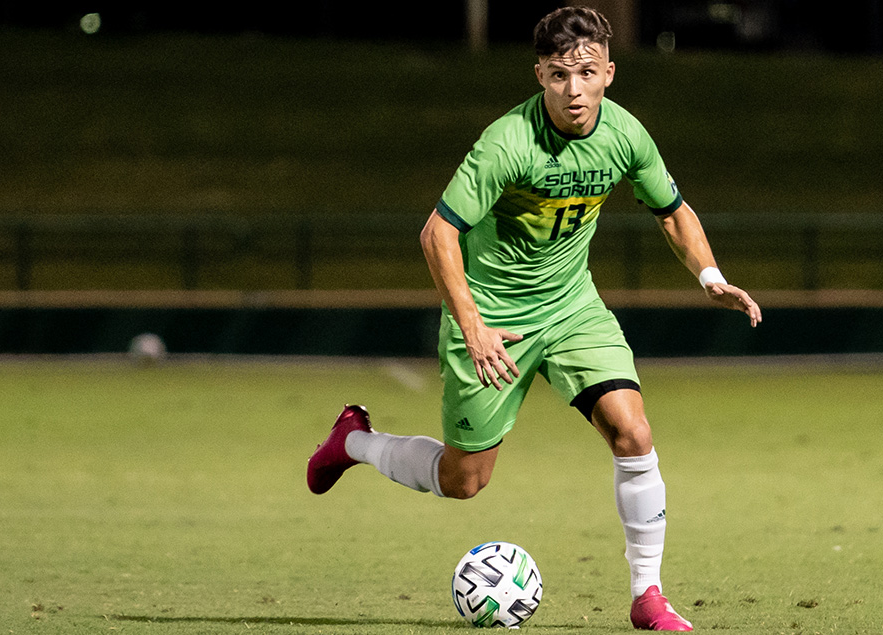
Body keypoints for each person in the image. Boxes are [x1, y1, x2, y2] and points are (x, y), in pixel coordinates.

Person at [307, 6, 761, 631]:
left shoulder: (626, 134)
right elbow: (437, 234)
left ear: (609, 72)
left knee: (634, 433)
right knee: (465, 480)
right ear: (540, 76)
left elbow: (672, 209)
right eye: (557, 75)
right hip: (491, 318)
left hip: (574, 307)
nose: (573, 90)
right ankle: (353, 442)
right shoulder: (507, 143)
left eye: (585, 72)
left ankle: (648, 596)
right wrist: (470, 324)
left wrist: (710, 277)